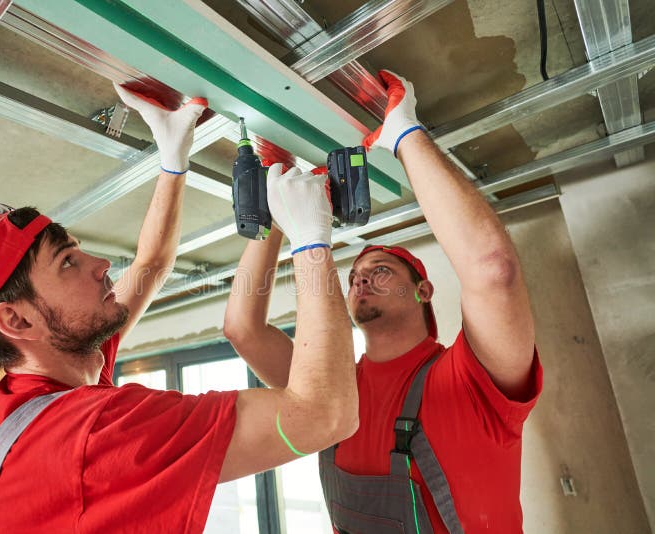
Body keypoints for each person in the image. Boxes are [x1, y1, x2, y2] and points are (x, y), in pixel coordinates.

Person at [0, 85, 358, 533]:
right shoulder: (89, 434)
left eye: (77, 250)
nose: (103, 264)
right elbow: (323, 417)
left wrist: (172, 157)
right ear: (17, 320)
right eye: (67, 263)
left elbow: (150, 265)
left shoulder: (49, 381)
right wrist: (311, 240)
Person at [223, 70, 543, 534]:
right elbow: (242, 329)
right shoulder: (334, 388)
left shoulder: (468, 380)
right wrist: (278, 215)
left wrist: (404, 133)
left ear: (423, 291)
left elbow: (494, 271)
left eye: (380, 272)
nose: (360, 282)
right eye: (353, 277)